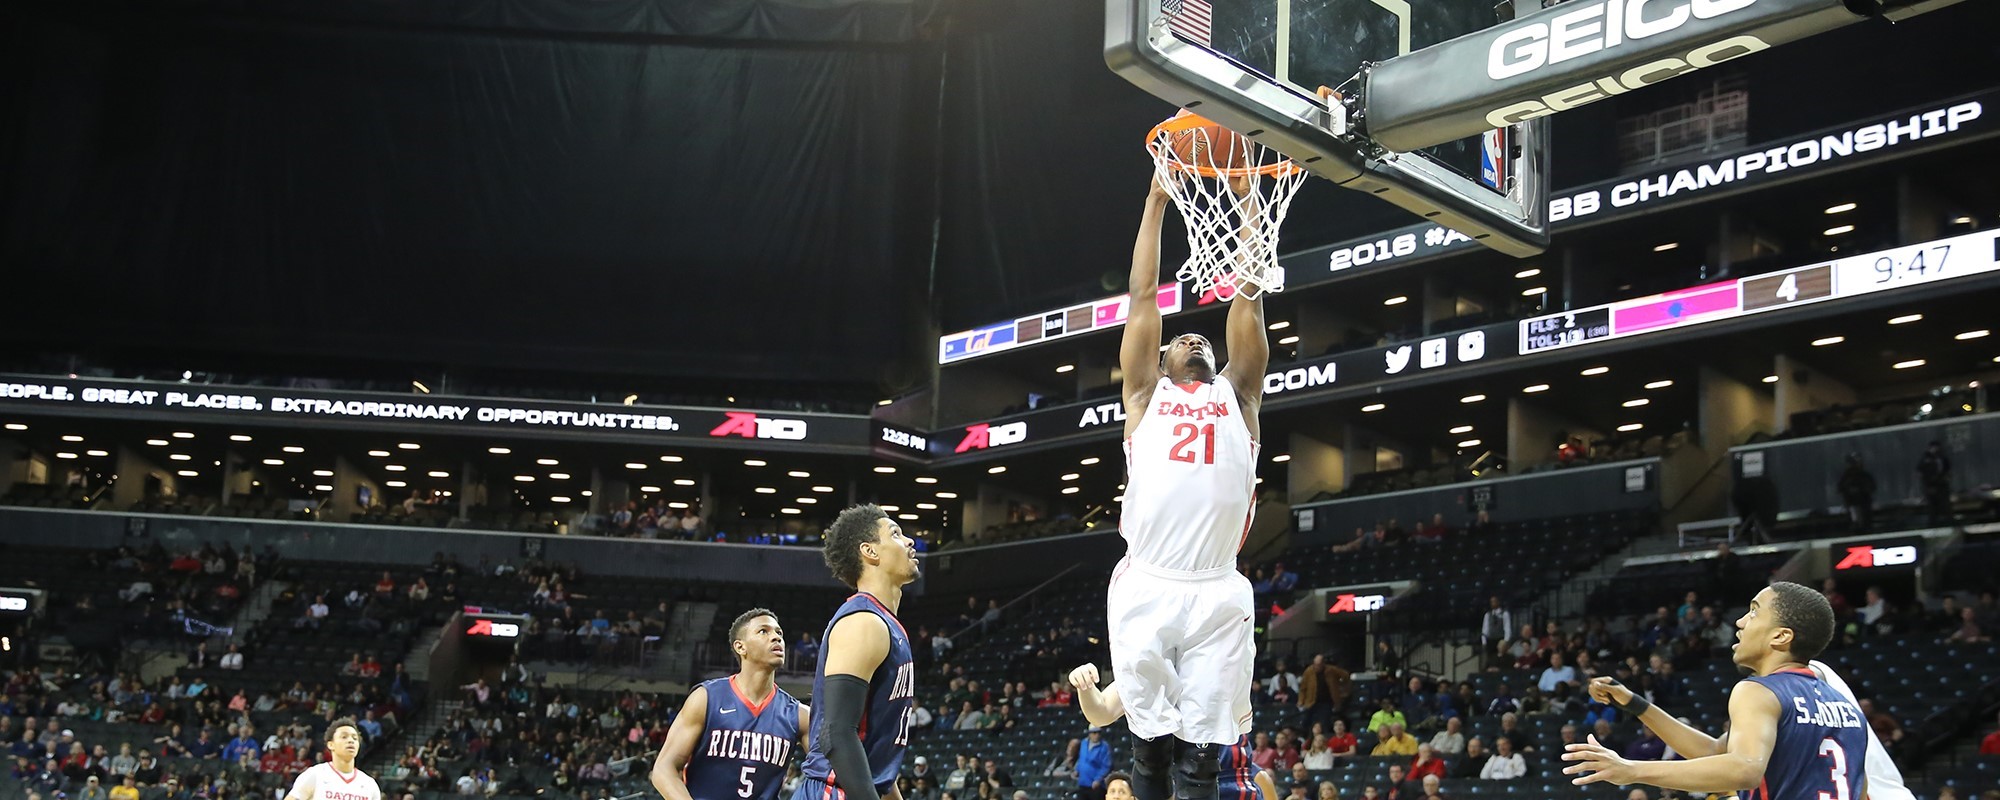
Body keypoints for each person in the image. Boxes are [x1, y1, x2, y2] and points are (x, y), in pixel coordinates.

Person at [1109, 175, 1269, 800]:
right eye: (1181, 340)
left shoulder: (1240, 394)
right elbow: (1143, 295)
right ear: (1161, 361)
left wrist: (1250, 200)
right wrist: (1155, 202)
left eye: (1201, 339)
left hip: (1217, 586)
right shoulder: (1144, 396)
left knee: (1204, 759)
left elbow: (1249, 292)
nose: (1194, 339)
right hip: (1148, 581)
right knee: (1149, 752)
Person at [1561, 582, 1867, 800]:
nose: (1740, 622)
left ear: (1781, 636)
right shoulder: (1847, 708)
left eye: (1754, 612)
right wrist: (1636, 704)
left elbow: (1744, 769)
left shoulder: (1759, 691)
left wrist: (1631, 770)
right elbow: (1715, 753)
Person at [792, 505, 921, 800]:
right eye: (896, 534)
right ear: (870, 551)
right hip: (831, 792)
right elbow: (836, 733)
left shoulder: (886, 624)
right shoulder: (863, 622)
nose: (909, 541)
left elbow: (875, 764)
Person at [651, 608, 808, 800]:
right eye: (763, 631)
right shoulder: (706, 698)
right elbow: (664, 768)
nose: (776, 637)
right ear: (741, 647)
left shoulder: (800, 715)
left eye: (779, 633)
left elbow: (829, 775)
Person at [1069, 663, 1278, 800]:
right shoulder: (1148, 669)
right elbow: (1101, 713)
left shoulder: (1217, 658)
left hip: (1225, 777)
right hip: (1173, 776)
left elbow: (1257, 778)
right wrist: (1085, 687)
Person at [283, 718, 382, 800]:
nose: (351, 741)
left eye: (355, 738)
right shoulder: (315, 774)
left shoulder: (369, 784)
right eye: (344, 737)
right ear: (331, 745)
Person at [1836, 454, 1876, 532]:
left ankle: (1862, 526)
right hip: (1852, 503)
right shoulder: (1846, 477)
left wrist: (1862, 490)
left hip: (1864, 503)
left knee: (1864, 517)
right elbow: (1840, 488)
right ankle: (1856, 525)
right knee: (1854, 514)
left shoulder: (1864, 476)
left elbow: (1871, 487)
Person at [1917, 441, 1952, 523]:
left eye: (1937, 447)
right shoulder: (1925, 459)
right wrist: (1927, 484)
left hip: (1942, 485)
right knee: (1932, 504)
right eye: (1934, 447)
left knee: (1944, 503)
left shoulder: (1943, 459)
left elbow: (1947, 471)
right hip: (1930, 484)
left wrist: (1945, 478)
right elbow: (1920, 472)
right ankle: (1933, 521)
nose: (1936, 449)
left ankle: (1947, 520)